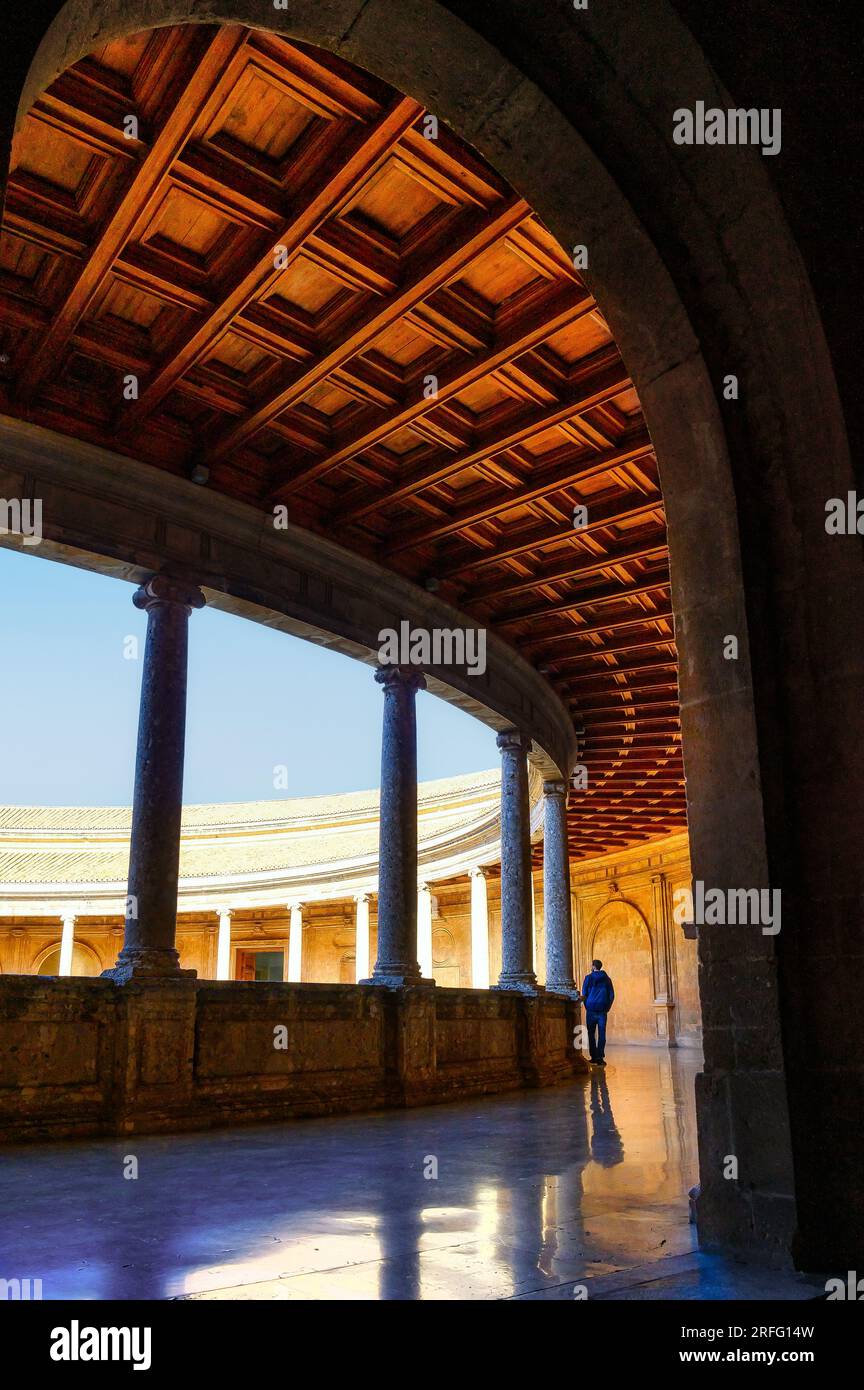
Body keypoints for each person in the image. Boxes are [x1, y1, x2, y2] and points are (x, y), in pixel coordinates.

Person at [579, 958, 615, 1065]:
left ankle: (594, 1057)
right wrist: (607, 1007)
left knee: (591, 1034)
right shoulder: (607, 979)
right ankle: (600, 1057)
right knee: (602, 1034)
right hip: (602, 1010)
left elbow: (584, 994)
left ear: (593, 967)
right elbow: (612, 995)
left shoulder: (588, 978)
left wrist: (588, 1006)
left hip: (591, 1010)